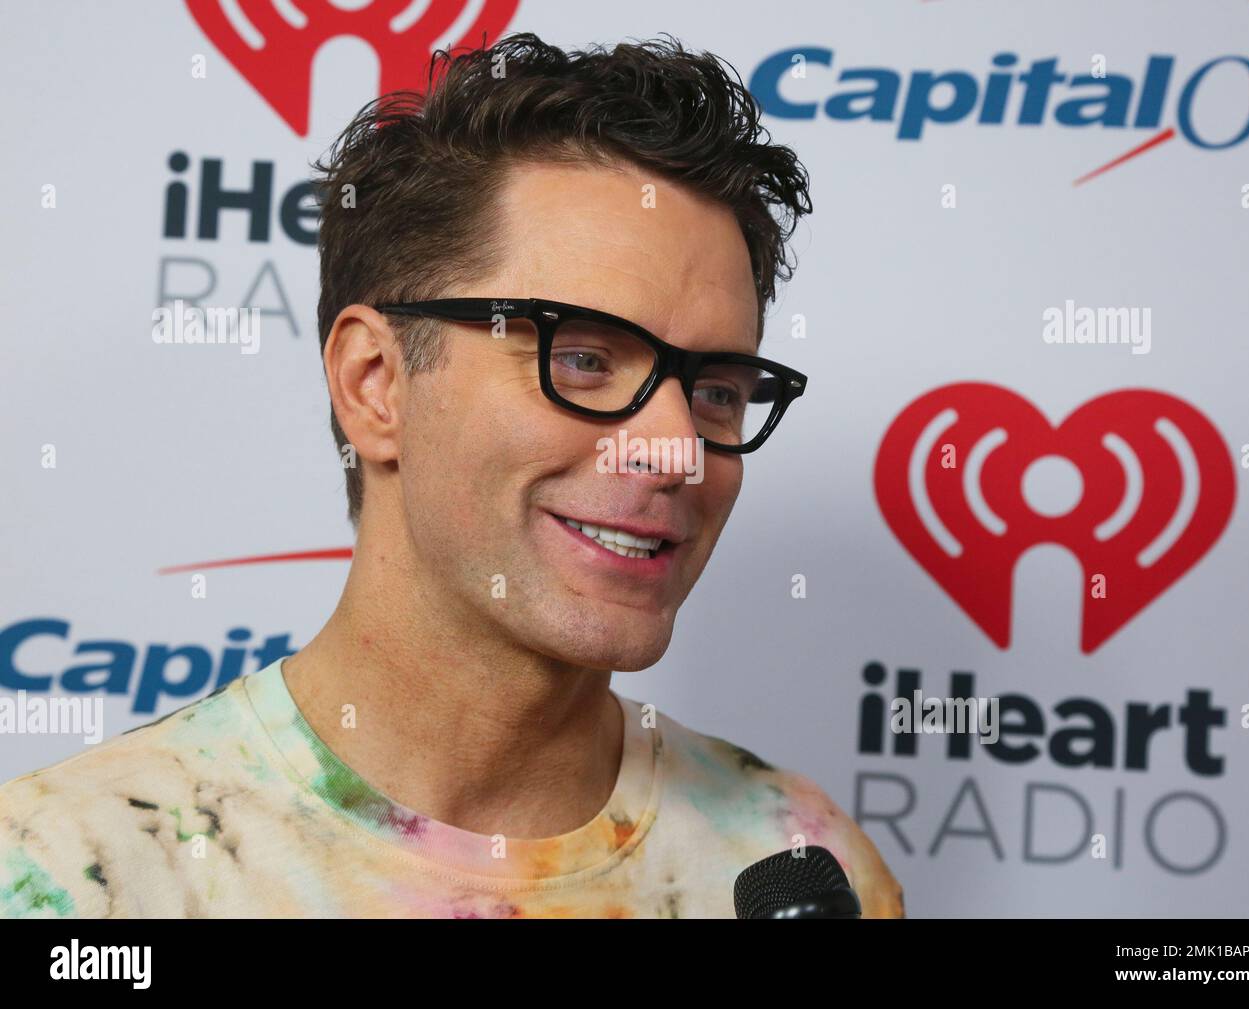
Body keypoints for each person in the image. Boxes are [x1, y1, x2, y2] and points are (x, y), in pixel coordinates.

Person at [0, 32, 902, 918]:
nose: (677, 450)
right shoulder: (75, 876)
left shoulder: (802, 871)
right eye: (583, 358)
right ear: (375, 384)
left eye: (715, 390)